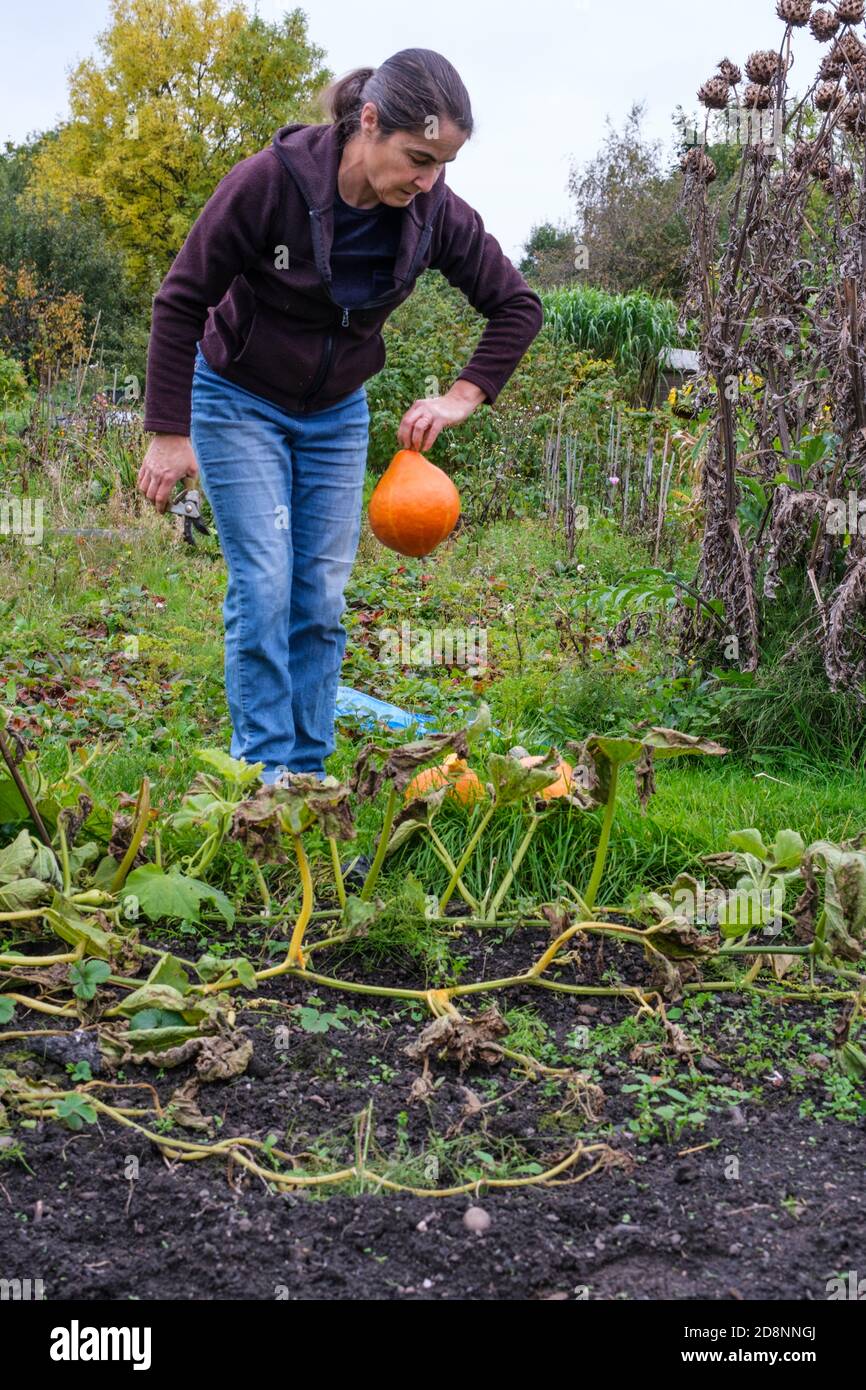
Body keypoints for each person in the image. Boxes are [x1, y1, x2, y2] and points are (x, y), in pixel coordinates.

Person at [137, 48, 543, 783]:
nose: (427, 180)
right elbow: (181, 299)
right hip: (237, 399)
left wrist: (461, 398)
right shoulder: (270, 183)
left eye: (442, 165)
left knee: (319, 597)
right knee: (263, 582)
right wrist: (169, 433)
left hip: (334, 413)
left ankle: (309, 771)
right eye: (418, 158)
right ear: (368, 122)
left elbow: (516, 306)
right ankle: (263, 775)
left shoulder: (434, 213)